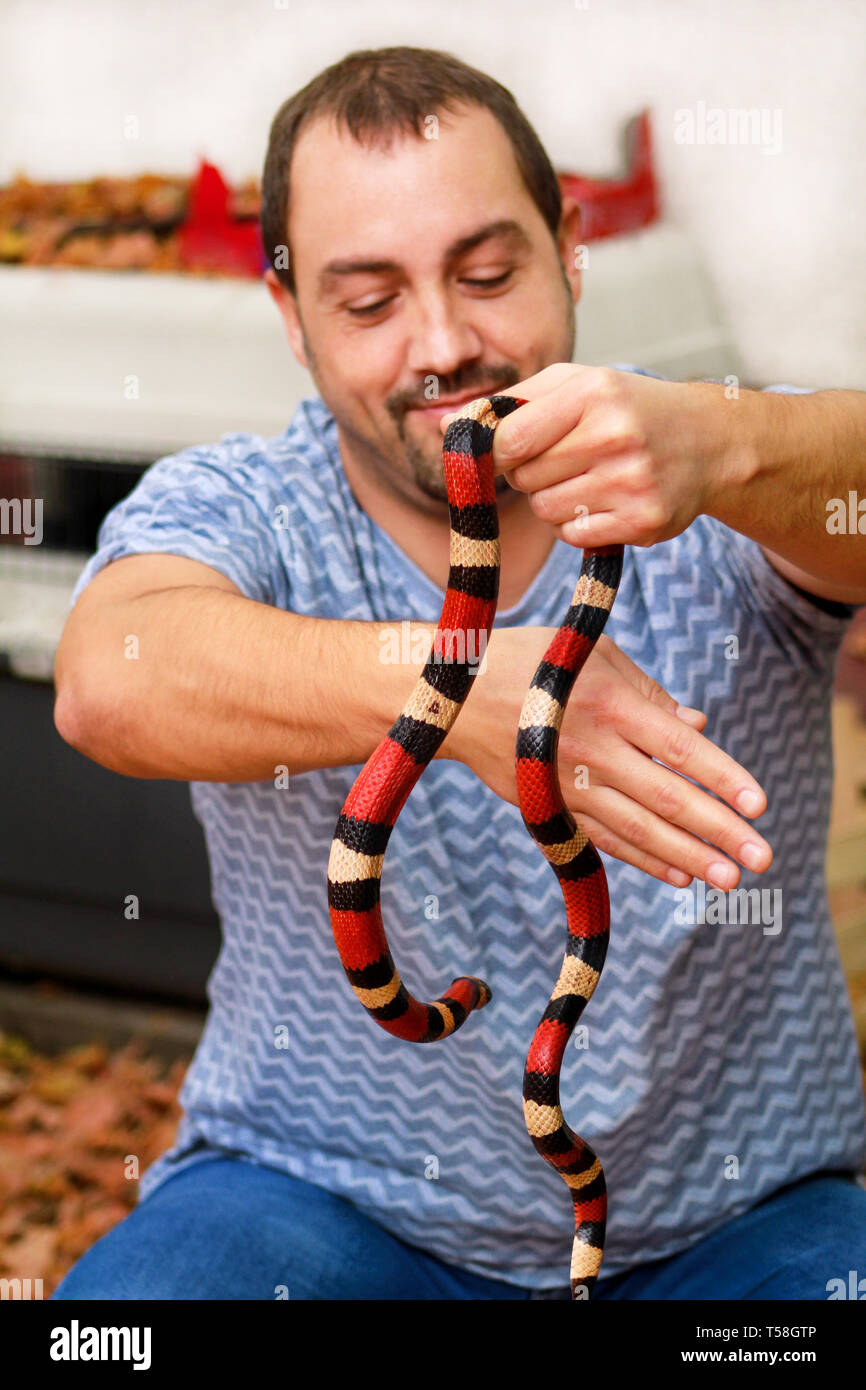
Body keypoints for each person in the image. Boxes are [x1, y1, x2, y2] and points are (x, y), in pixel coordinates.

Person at [52, 46, 866, 1301]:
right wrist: (458, 690)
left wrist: (735, 440)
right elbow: (110, 673)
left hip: (738, 1230)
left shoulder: (708, 471)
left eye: (487, 273)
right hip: (318, 1206)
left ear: (569, 249)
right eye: (368, 302)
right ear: (290, 316)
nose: (443, 342)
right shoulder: (246, 503)